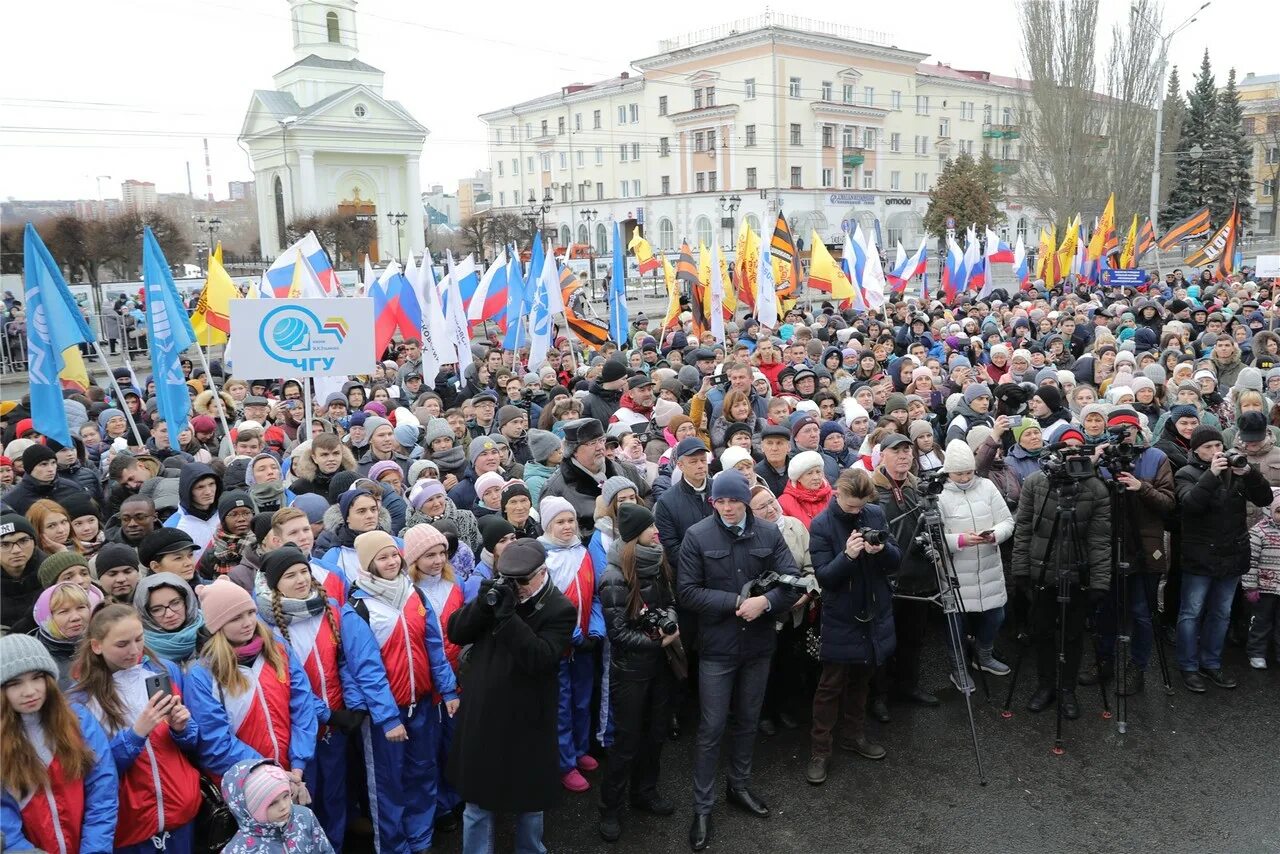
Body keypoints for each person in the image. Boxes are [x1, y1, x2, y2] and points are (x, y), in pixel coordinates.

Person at [678, 470, 802, 851]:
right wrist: (735, 603)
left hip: (759, 645)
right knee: (712, 727)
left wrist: (765, 602)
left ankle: (740, 786)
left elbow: (792, 579)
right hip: (718, 648)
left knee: (748, 721)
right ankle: (702, 806)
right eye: (721, 501)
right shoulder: (697, 536)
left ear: (746, 501)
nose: (728, 508)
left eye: (734, 501)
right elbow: (686, 592)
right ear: (713, 502)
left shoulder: (767, 532)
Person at [446, 538, 576, 854]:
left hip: (528, 718)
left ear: (542, 572)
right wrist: (480, 605)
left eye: (523, 580)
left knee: (530, 803)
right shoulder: (498, 597)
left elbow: (540, 658)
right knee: (477, 803)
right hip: (484, 713)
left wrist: (507, 619)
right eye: (510, 579)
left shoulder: (560, 608)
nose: (516, 587)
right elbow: (456, 633)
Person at [340, 530, 458, 854]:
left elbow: (434, 647)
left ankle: (420, 838)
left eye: (394, 554)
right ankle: (394, 846)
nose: (392, 561)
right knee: (388, 786)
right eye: (382, 557)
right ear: (368, 563)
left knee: (423, 770)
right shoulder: (358, 608)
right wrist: (388, 717)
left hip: (421, 704)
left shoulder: (414, 595)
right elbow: (366, 669)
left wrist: (448, 690)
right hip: (387, 716)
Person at [70, 603, 204, 853]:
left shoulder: (164, 671)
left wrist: (182, 728)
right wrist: (136, 735)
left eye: (139, 639)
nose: (134, 651)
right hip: (131, 824)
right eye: (122, 644)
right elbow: (94, 771)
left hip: (182, 812)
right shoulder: (82, 701)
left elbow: (191, 745)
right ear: (97, 646)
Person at [257, 545, 358, 850]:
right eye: (290, 575)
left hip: (334, 727)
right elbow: (291, 687)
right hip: (300, 732)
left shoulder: (327, 609)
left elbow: (343, 661)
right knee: (303, 802)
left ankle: (335, 845)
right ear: (275, 583)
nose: (301, 580)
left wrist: (350, 704)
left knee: (335, 795)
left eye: (304, 572)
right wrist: (325, 712)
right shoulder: (268, 627)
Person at [806, 468, 899, 785]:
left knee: (863, 678)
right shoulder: (821, 525)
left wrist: (882, 549)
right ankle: (820, 749)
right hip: (842, 616)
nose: (857, 512)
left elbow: (896, 560)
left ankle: (853, 735)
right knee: (830, 686)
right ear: (837, 494)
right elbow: (825, 578)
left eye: (861, 507)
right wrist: (847, 555)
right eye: (851, 507)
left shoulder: (874, 513)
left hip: (874, 610)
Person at [596, 504, 680, 842]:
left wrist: (669, 620)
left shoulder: (657, 560)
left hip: (659, 670)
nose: (656, 531)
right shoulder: (614, 576)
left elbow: (671, 599)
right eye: (651, 527)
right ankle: (610, 808)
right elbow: (617, 634)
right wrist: (659, 643)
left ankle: (644, 793)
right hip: (631, 672)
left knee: (656, 733)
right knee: (627, 742)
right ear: (635, 535)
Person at [1012, 432, 1111, 718]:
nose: (1071, 455)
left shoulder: (1095, 488)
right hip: (1041, 572)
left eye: (1077, 449)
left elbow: (1100, 539)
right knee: (1042, 632)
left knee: (1073, 636)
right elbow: (1024, 530)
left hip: (1077, 575)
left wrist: (1100, 582)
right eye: (1065, 449)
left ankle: (1067, 689)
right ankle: (1045, 685)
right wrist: (1020, 571)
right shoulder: (1036, 482)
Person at [183, 577, 319, 780]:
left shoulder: (277, 649)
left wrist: (298, 764)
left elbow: (302, 705)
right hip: (247, 781)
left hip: (295, 772)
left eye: (250, 613)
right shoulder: (202, 674)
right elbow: (215, 743)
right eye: (236, 618)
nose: (248, 623)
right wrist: (271, 773)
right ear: (217, 625)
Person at [1174, 425, 1272, 692]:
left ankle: (1212, 663)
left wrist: (1250, 474)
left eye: (1219, 445)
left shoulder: (1237, 472)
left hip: (1231, 554)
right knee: (1191, 613)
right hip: (1200, 556)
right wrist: (1211, 475)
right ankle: (1189, 666)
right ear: (1195, 450)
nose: (1216, 451)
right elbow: (1191, 505)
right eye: (1208, 447)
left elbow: (1264, 498)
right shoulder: (1186, 473)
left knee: (1221, 613)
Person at [1086, 407, 1177, 696]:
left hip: (1144, 547)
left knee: (1141, 612)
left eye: (1130, 427)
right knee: (1107, 610)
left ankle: (1136, 667)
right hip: (1110, 545)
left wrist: (1141, 488)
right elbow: (1083, 499)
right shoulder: (1102, 459)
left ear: (1139, 429)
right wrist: (1093, 464)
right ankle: (1104, 661)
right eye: (1119, 429)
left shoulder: (1156, 458)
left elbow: (1168, 503)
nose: (1126, 434)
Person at [0, 633, 119, 854]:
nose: (30, 691)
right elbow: (5, 826)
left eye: (37, 677)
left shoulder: (79, 720)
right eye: (15, 683)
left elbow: (102, 790)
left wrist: (95, 850)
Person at [936, 440, 1015, 689]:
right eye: (959, 473)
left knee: (996, 615)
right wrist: (959, 540)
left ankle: (984, 655)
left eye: (969, 472)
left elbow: (1006, 521)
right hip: (956, 569)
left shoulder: (987, 486)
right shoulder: (938, 493)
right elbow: (932, 535)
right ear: (948, 471)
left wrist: (995, 535)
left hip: (989, 565)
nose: (964, 477)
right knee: (955, 625)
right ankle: (958, 668)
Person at [539, 495, 606, 792]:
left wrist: (595, 628)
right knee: (562, 706)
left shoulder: (582, 551)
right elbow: (546, 608)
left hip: (584, 645)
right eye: (560, 522)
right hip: (559, 648)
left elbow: (593, 597)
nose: (567, 527)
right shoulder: (543, 557)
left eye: (570, 521)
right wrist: (570, 635)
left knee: (582, 700)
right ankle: (565, 762)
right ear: (548, 525)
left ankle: (581, 749)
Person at [404, 524, 467, 832]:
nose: (438, 560)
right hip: (426, 686)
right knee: (426, 752)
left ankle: (455, 797)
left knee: (453, 744)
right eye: (429, 555)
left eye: (442, 553)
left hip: (456, 679)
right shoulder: (409, 592)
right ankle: (437, 806)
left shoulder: (454, 587)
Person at [221, 758, 334, 854]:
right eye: (272, 803)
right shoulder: (238, 850)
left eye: (286, 796)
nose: (284, 806)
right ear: (248, 811)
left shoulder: (304, 817)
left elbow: (324, 850)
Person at [32, 581, 102, 688]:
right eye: (64, 611)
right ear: (47, 617)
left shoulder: (102, 642)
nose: (76, 617)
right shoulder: (33, 657)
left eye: (81, 607)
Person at [1246, 490, 1280, 669]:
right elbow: (1250, 562)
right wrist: (1250, 587)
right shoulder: (1259, 532)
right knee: (1260, 621)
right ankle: (1257, 652)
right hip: (1265, 588)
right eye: (1279, 511)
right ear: (1271, 511)